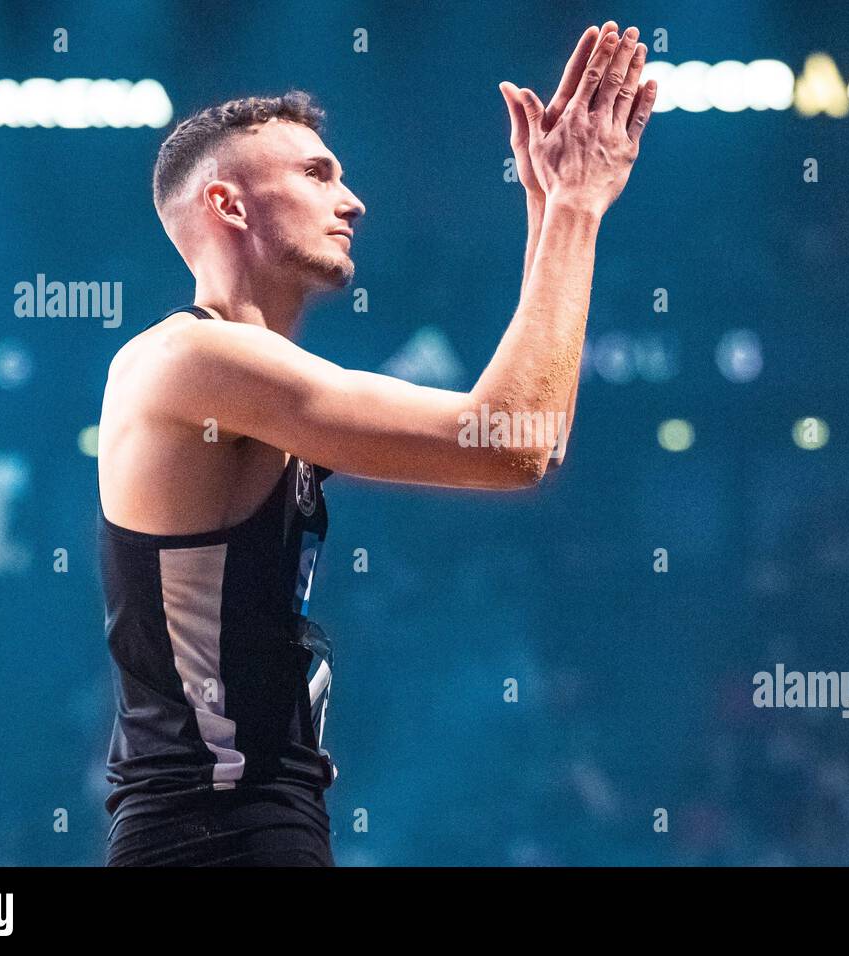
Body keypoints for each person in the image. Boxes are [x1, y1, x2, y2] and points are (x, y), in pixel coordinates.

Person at [98, 21, 656, 866]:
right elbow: (512, 442)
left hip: (242, 822)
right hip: (212, 834)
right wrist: (575, 207)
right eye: (318, 174)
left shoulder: (253, 384)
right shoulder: (191, 359)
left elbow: (527, 436)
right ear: (227, 203)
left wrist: (549, 207)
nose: (352, 200)